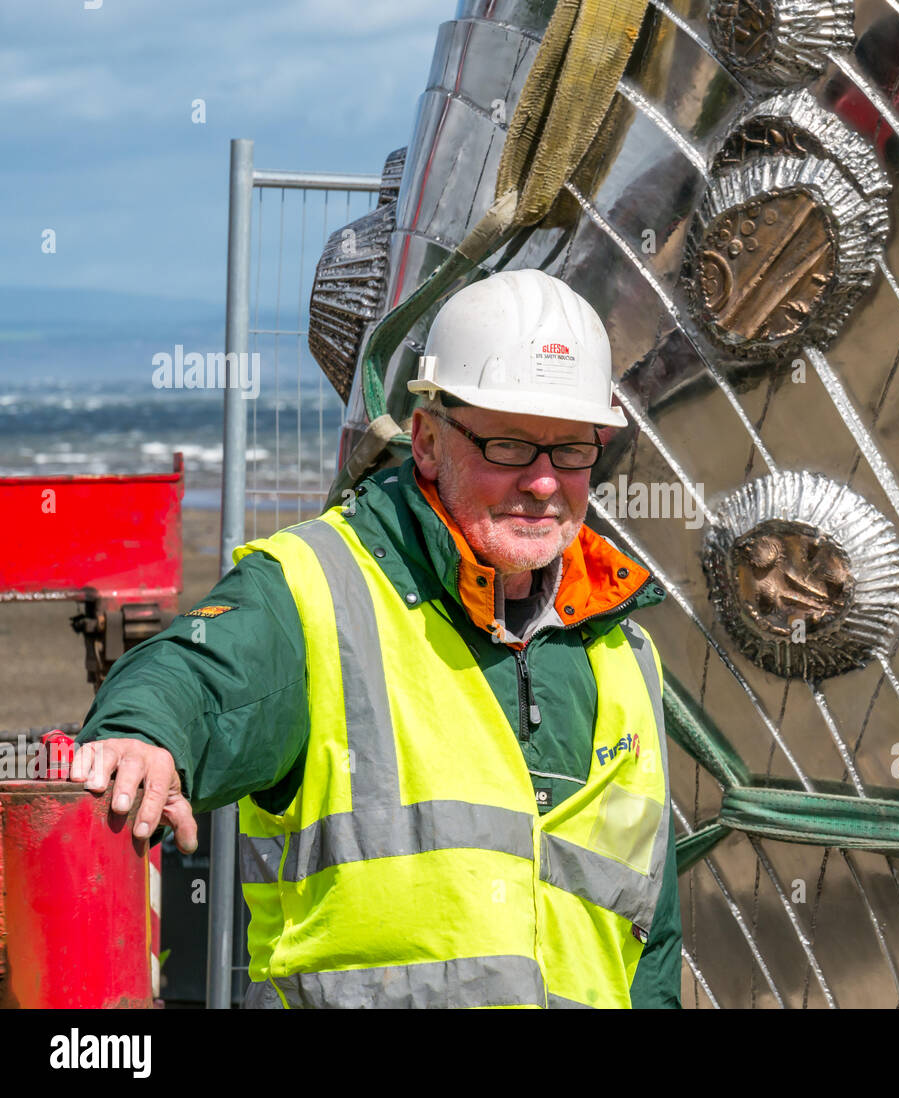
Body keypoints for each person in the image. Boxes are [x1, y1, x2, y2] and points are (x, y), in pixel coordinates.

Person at [70, 268, 681, 1008]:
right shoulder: (319, 592)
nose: (545, 483)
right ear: (426, 440)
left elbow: (649, 939)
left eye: (572, 450)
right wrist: (144, 734)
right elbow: (196, 673)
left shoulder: (625, 660)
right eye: (511, 446)